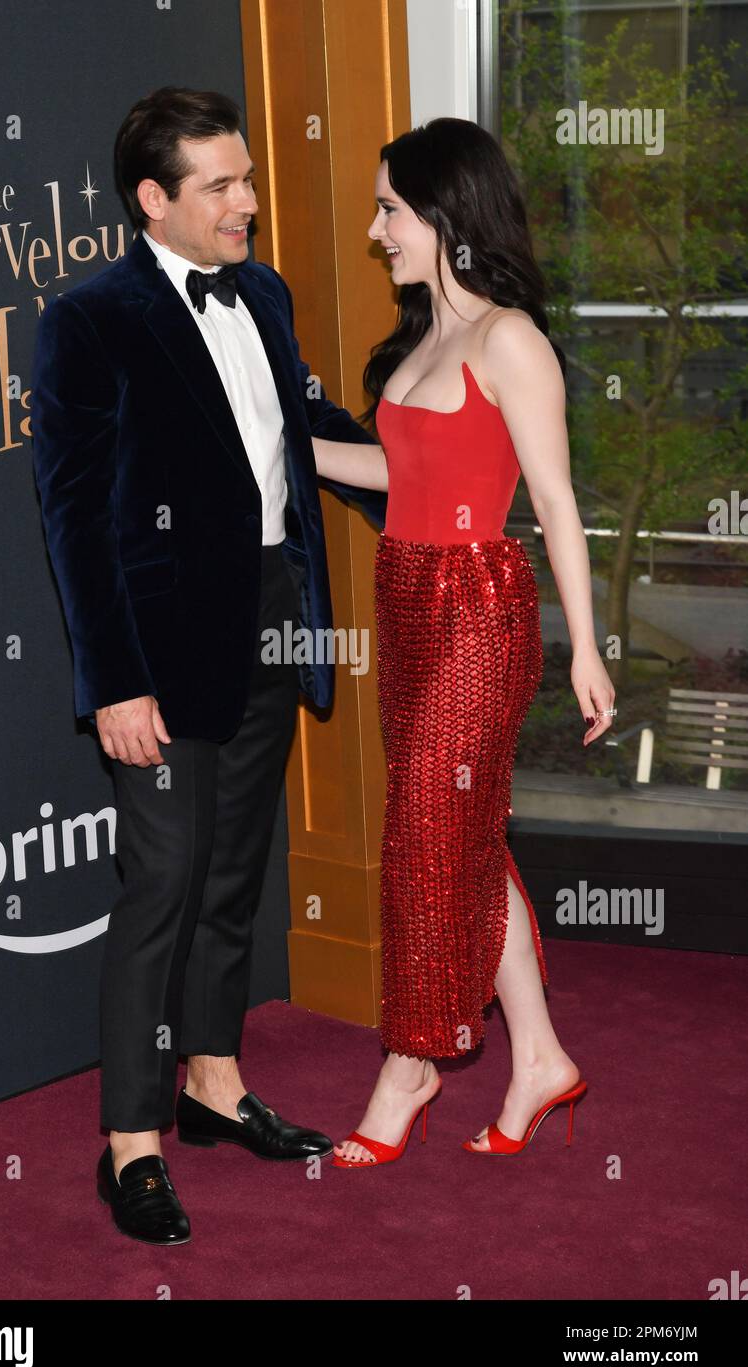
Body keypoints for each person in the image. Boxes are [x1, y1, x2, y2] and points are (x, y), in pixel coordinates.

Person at [30, 87, 388, 1242]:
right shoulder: (91, 318)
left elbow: (294, 444)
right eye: (221, 186)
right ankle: (128, 1144)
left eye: (247, 179)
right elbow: (73, 517)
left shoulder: (266, 292)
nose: (247, 202)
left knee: (234, 877)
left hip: (273, 623)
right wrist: (113, 680)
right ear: (155, 199)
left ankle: (214, 1085)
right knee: (161, 890)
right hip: (162, 654)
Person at [313, 117, 614, 1166]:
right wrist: (280, 440)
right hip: (402, 603)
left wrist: (585, 648)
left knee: (424, 846)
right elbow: (404, 475)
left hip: (475, 613)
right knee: (466, 835)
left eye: (389, 209)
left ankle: (411, 1062)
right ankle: (536, 1059)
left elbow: (556, 503)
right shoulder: (424, 342)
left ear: (442, 213)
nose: (374, 228)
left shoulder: (506, 339)